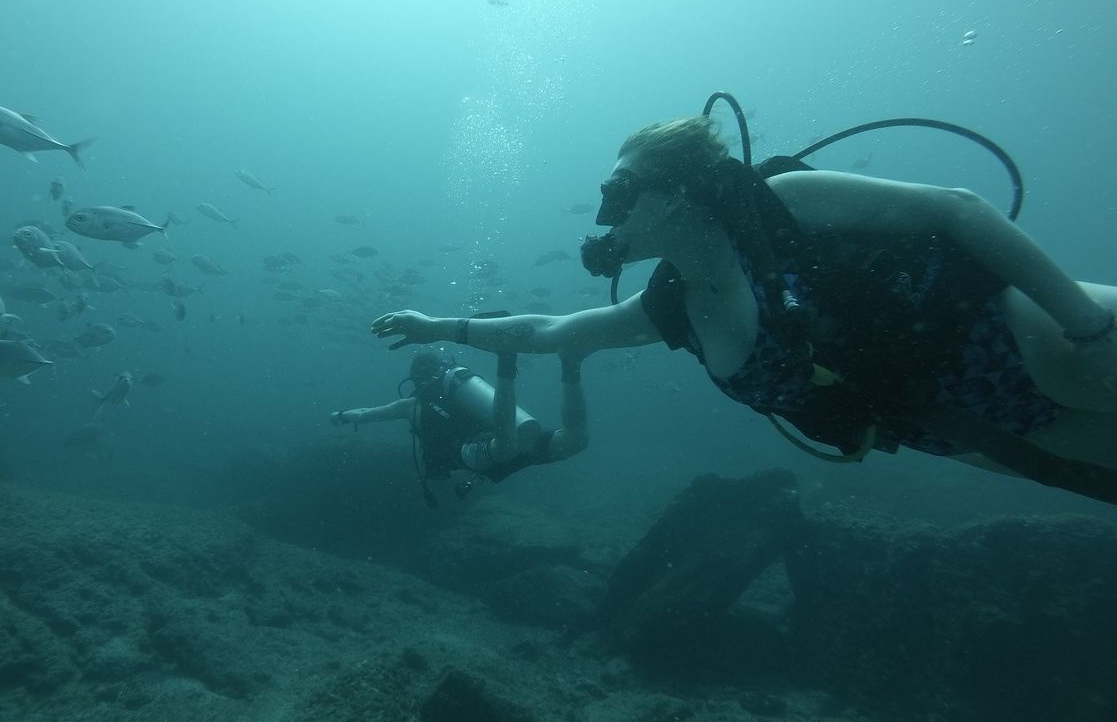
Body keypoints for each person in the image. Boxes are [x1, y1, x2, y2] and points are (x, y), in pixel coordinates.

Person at [371, 115, 1117, 503]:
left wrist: (1082, 325)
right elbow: (550, 331)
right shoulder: (671, 308)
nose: (605, 207)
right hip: (983, 430)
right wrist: (438, 328)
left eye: (621, 187)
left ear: (678, 191)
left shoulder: (777, 204)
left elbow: (954, 210)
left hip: (1030, 338)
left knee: (1081, 378)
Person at [330, 348, 588, 505]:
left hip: (476, 453)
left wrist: (341, 415)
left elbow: (365, 414)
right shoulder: (457, 388)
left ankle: (506, 361)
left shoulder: (410, 404)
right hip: (500, 442)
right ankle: (571, 366)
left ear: (414, 376)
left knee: (505, 448)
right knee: (575, 441)